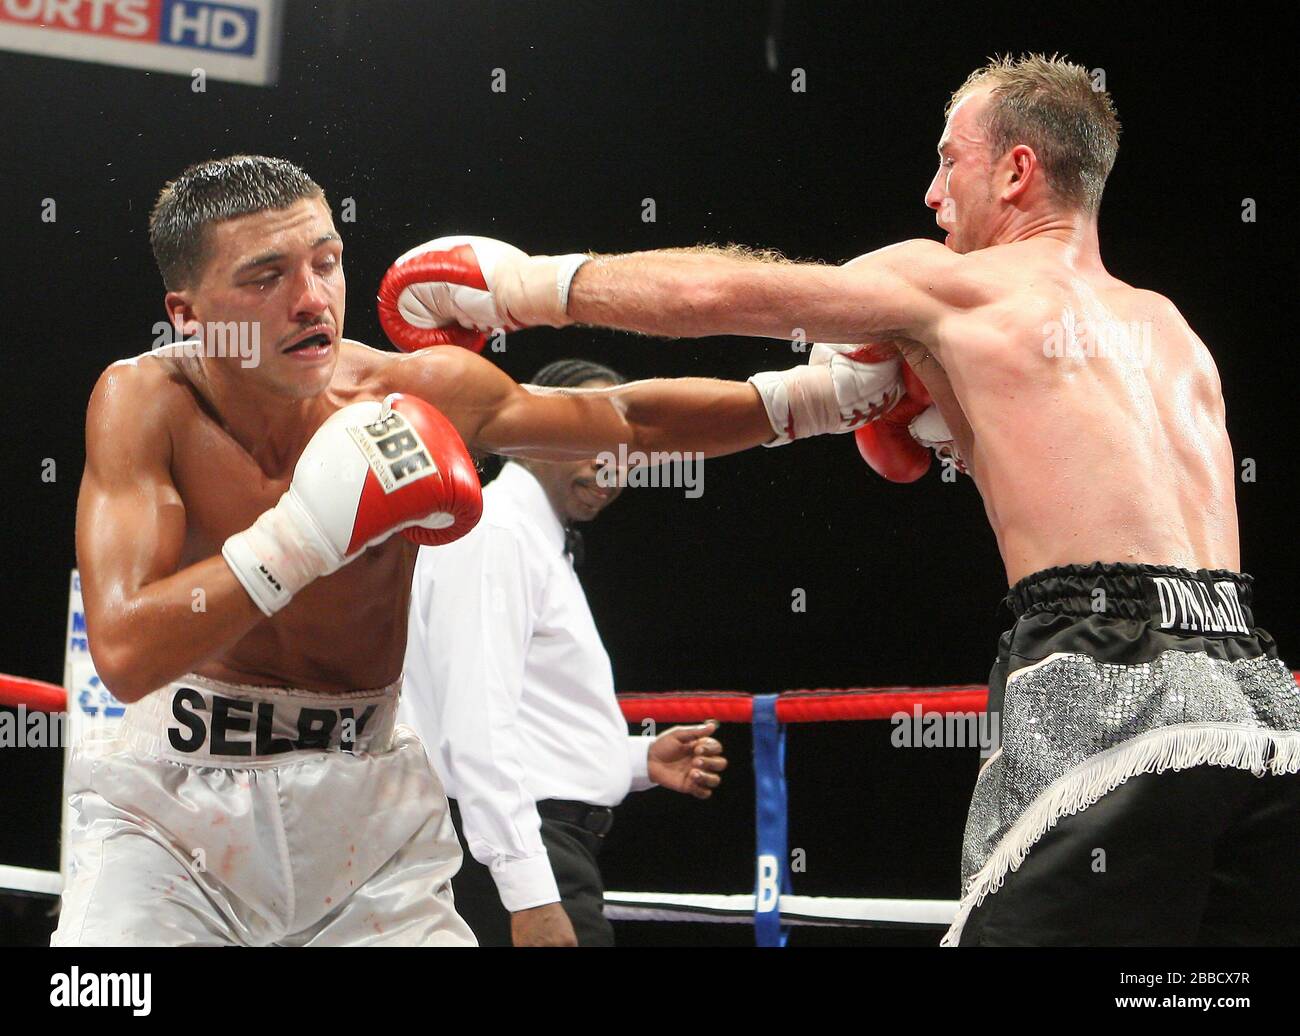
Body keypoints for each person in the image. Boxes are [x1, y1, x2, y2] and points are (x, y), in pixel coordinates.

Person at [391, 54, 1300, 946]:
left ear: (1018, 170)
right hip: (1255, 698)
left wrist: (521, 287)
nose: (933, 194)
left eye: (951, 159)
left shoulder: (954, 285)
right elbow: (762, 409)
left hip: (1100, 673)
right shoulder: (1171, 330)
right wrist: (830, 399)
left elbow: (715, 293)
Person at [53, 155, 906, 946]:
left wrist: (811, 399)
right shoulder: (144, 402)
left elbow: (624, 421)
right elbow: (124, 654)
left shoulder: (403, 393)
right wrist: (301, 538)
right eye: (266, 277)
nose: (311, 299)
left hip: (369, 824)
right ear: (188, 315)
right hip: (175, 816)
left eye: (326, 261)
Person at [401, 357, 727, 947]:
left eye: (629, 453)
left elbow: (524, 719)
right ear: (528, 433)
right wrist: (528, 893)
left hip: (540, 846)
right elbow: (476, 727)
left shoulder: (537, 542)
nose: (615, 467)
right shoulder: (496, 533)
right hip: (524, 853)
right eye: (595, 439)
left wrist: (633, 761)